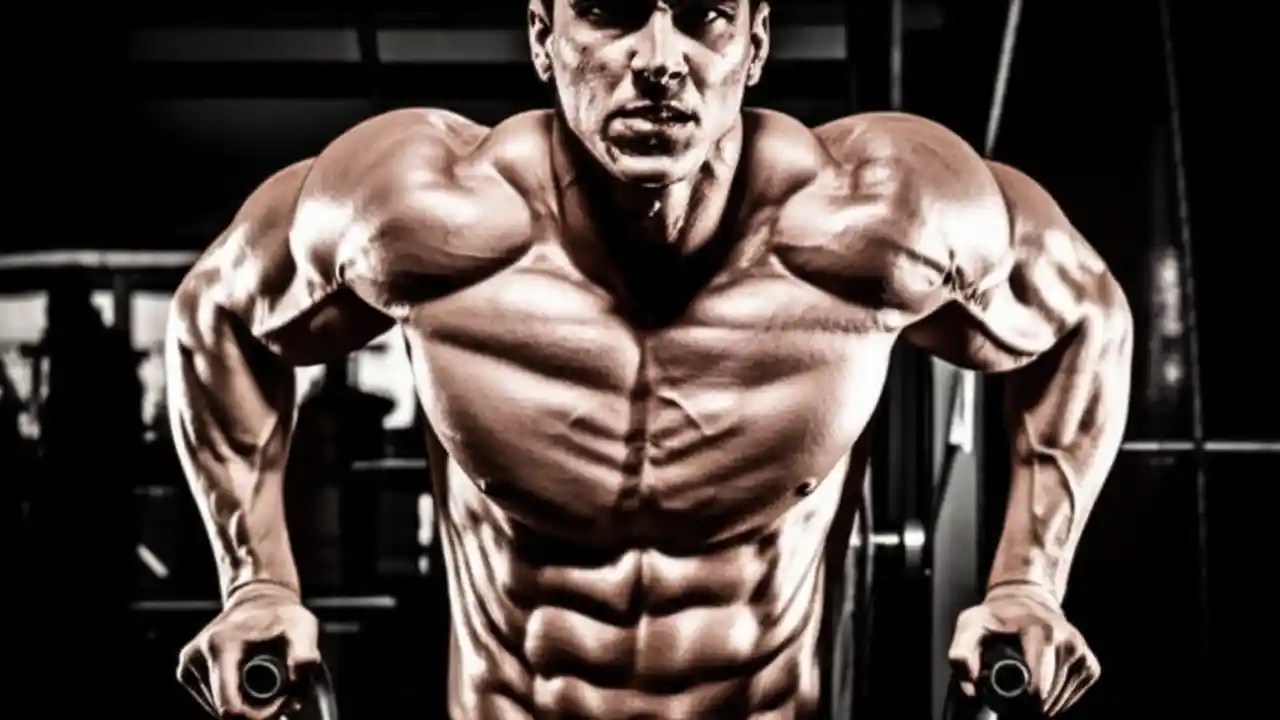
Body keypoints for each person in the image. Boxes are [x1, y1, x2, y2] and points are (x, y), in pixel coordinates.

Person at [168, 1, 1133, 718]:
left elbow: (1084, 316)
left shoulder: (876, 222)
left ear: (754, 43)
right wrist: (258, 583)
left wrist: (1027, 581)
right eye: (608, 13)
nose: (660, 61)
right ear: (543, 35)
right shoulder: (423, 213)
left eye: (705, 17)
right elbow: (220, 313)